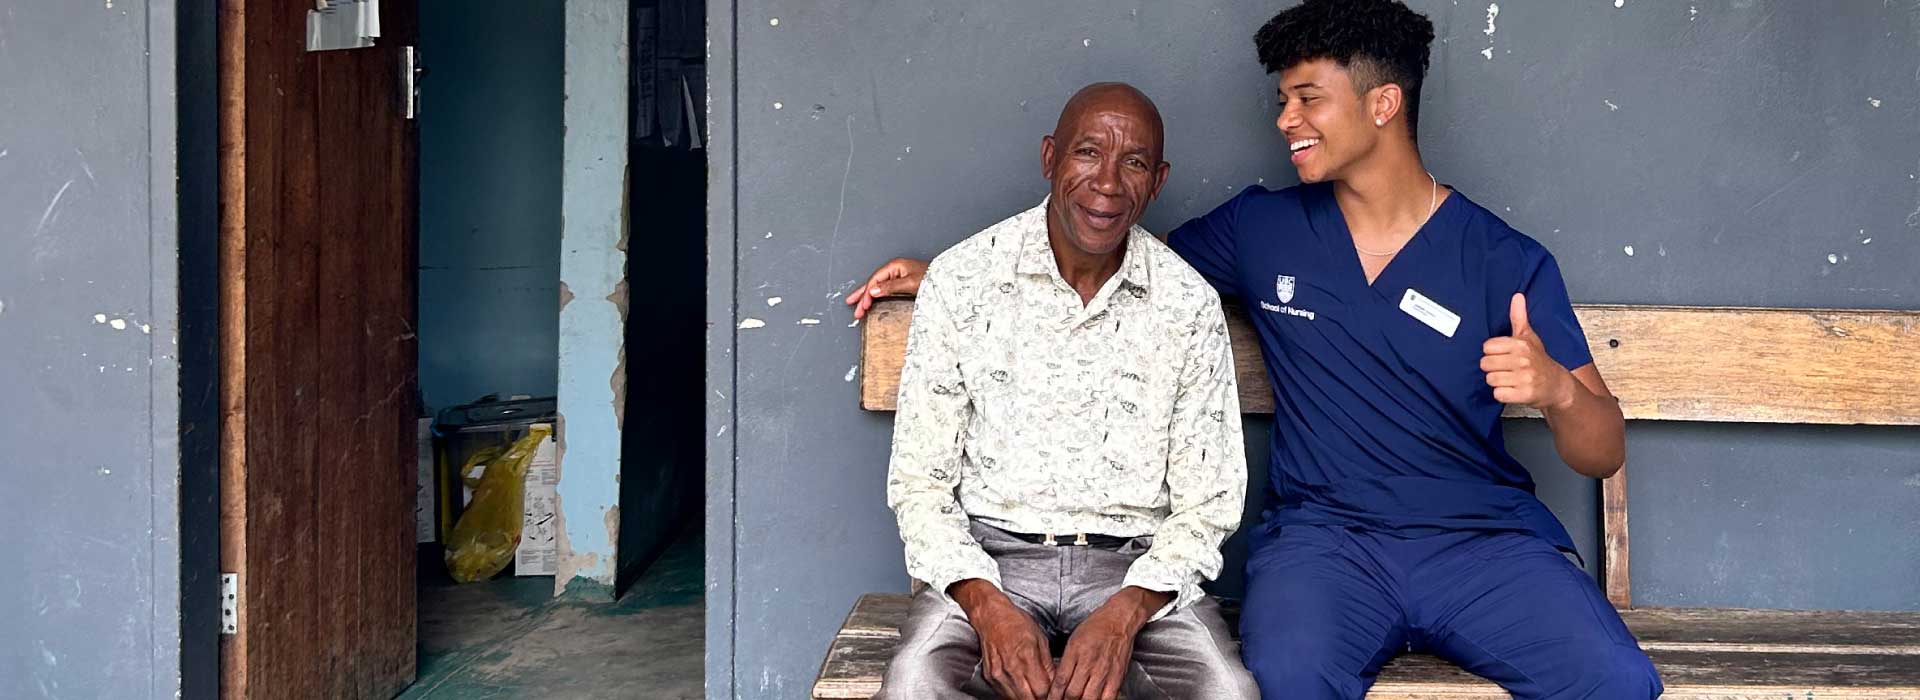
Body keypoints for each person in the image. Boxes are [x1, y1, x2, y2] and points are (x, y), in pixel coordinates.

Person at [847, 2, 1663, 698]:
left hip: (1481, 543)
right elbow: (1114, 237)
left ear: (1383, 103)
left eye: (1307, 97)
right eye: (1281, 99)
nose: (1284, 121)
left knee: (1617, 682)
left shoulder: (1502, 259)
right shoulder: (1264, 228)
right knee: (1285, 679)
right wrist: (952, 273)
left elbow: (1601, 449)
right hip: (1327, 544)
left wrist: (1557, 392)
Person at [875, 82, 1259, 700]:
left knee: (1225, 691)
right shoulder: (964, 281)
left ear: (1157, 181)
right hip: (990, 560)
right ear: (1050, 157)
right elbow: (920, 484)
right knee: (916, 684)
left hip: (1137, 568)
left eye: (1133, 162)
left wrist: (1126, 611)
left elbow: (1208, 503)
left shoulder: (1186, 304)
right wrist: (986, 604)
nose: (1108, 182)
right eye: (1088, 153)